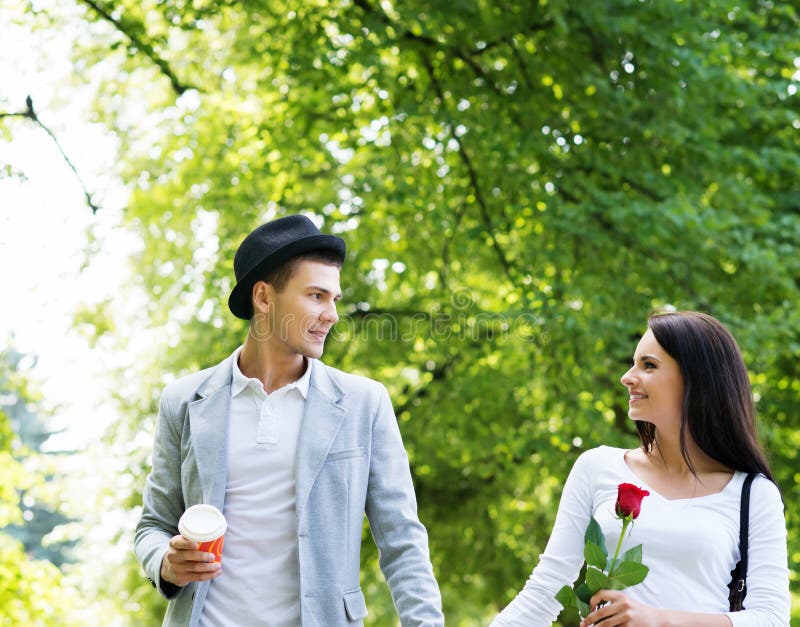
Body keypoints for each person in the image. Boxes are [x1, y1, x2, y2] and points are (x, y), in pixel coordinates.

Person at [134, 214, 444, 626]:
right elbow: (153, 525)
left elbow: (403, 540)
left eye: (334, 299)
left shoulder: (364, 404)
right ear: (264, 297)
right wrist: (164, 564)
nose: (332, 314)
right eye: (316, 296)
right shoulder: (185, 401)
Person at [492, 311, 790, 626]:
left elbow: (771, 619)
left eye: (648, 365)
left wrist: (657, 619)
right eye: (634, 363)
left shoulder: (753, 493)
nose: (627, 377)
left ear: (697, 377)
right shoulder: (596, 467)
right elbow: (544, 593)